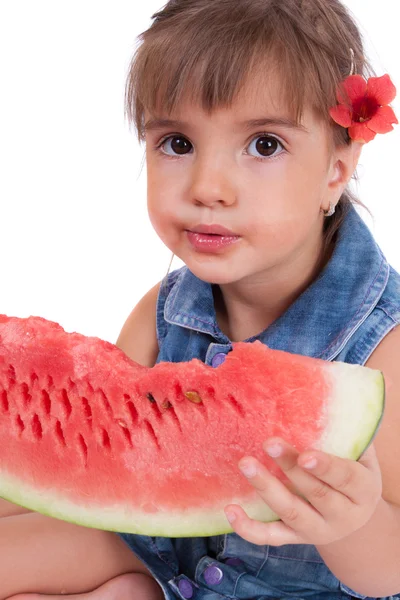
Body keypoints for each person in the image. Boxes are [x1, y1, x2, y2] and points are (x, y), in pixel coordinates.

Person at [2, 0, 400, 598]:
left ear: (336, 171)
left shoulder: (380, 351)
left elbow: (391, 570)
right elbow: (104, 465)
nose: (207, 187)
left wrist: (356, 522)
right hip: (161, 561)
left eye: (264, 145)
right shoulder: (163, 311)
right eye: (177, 142)